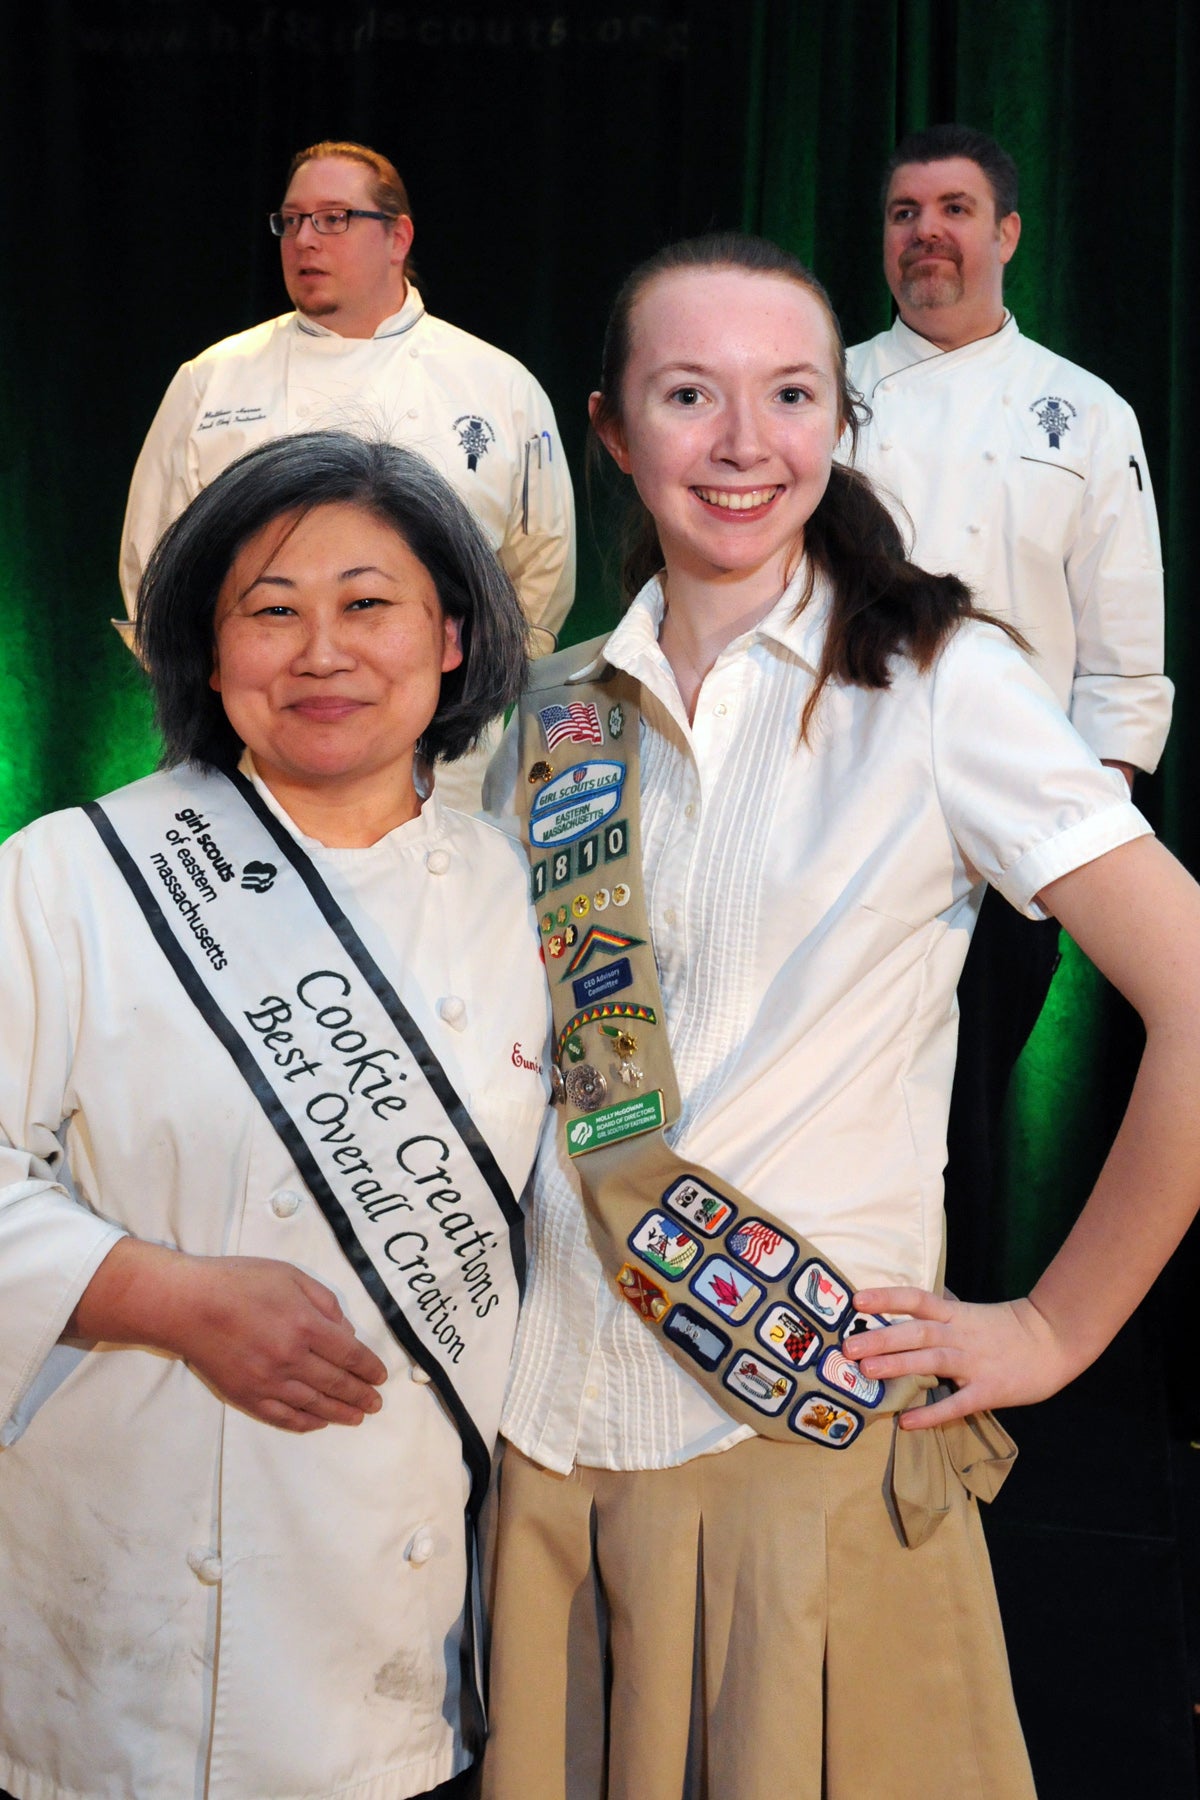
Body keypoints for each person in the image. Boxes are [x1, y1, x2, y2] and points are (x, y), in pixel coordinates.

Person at [479, 233, 1200, 1800]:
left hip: (786, 1438)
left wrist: (1060, 1324)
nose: (746, 445)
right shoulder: (549, 724)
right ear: (612, 430)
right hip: (540, 1449)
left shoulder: (943, 686)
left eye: (791, 394)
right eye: (691, 395)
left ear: (840, 423)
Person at [0, 432, 550, 1800]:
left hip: (396, 1648)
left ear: (451, 637)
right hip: (121, 1633)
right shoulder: (70, 875)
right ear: (208, 646)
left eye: (367, 604)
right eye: (270, 609)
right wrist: (159, 1294)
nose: (321, 652)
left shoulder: (529, 902)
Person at [845, 122, 1173, 1296]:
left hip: (1006, 847)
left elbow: (1126, 659)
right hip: (839, 820)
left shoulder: (1083, 415)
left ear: (1008, 234)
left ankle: (954, 1391)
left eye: (954, 209)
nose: (926, 233)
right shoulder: (819, 395)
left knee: (964, 1126)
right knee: (844, 1117)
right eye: (903, 213)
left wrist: (1077, 829)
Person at [118, 139, 576, 812]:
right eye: (291, 220)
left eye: (333, 218)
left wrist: (455, 701)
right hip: (251, 755)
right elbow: (154, 574)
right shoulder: (211, 382)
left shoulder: (497, 386)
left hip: (438, 765)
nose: (305, 240)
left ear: (398, 236)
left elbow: (539, 573)